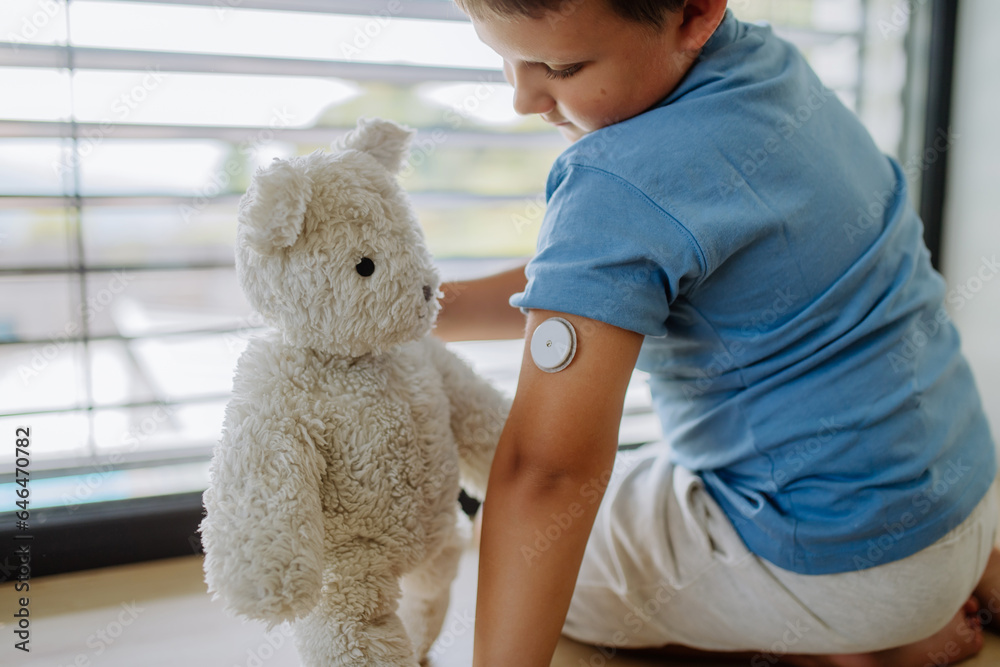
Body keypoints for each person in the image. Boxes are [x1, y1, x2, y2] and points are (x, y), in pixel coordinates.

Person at [433, 1, 1000, 665]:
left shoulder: (614, 180)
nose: (523, 99)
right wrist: (424, 310)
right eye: (503, 56)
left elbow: (548, 471)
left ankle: (854, 646)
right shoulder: (769, 70)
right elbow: (598, 279)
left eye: (559, 67)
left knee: (531, 556)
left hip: (848, 570)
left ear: (696, 12)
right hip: (962, 488)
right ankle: (957, 576)